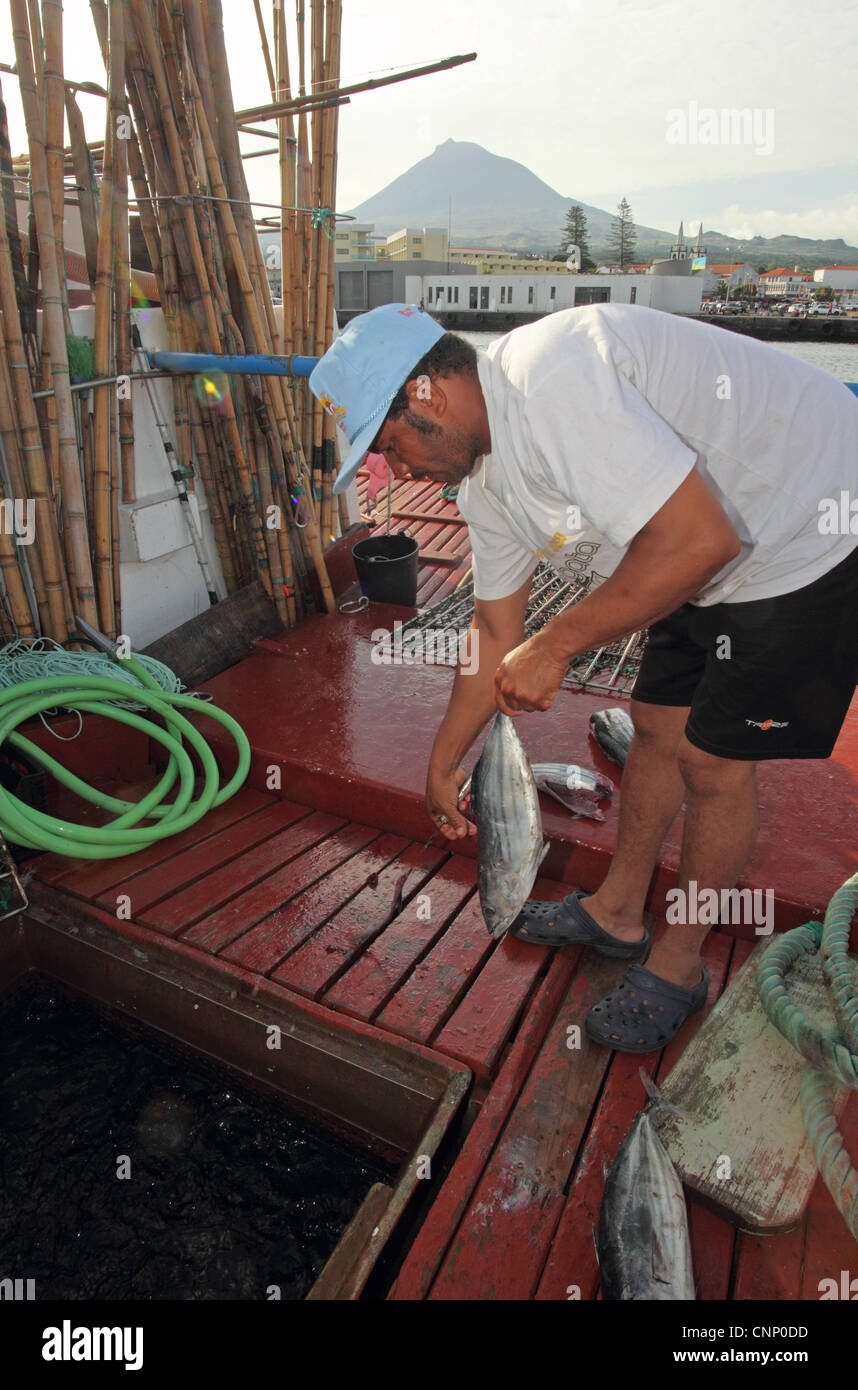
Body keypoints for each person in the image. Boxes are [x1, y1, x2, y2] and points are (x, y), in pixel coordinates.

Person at [309, 302, 858, 1053]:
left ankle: (678, 961)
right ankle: (619, 911)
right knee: (658, 726)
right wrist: (440, 765)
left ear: (427, 391)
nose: (394, 470)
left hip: (808, 529)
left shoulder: (550, 378)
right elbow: (494, 631)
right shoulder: (484, 482)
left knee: (712, 763)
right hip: (700, 549)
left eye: (388, 442)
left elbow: (698, 539)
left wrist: (555, 646)